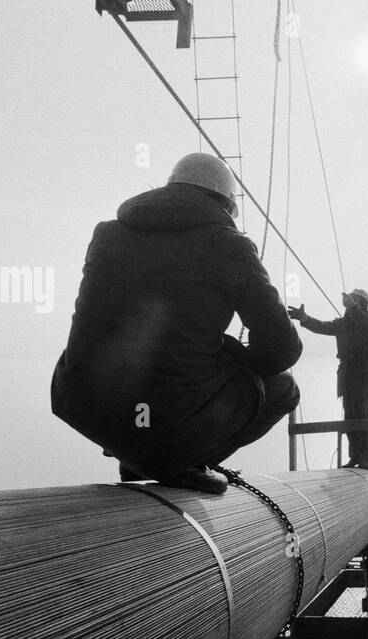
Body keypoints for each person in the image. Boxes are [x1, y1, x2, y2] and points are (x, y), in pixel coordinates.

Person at [51, 153, 301, 494]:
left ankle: (139, 454)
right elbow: (281, 352)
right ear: (226, 206)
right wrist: (240, 358)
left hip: (78, 401)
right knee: (284, 388)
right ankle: (179, 462)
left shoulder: (107, 233)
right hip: (162, 422)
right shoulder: (229, 244)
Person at [287, 289, 368, 468]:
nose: (349, 303)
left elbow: (367, 327)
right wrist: (304, 318)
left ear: (362, 304)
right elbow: (322, 326)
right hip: (347, 374)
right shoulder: (342, 323)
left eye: (354, 300)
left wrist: (353, 308)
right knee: (349, 416)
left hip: (363, 374)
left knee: (362, 415)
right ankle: (356, 457)